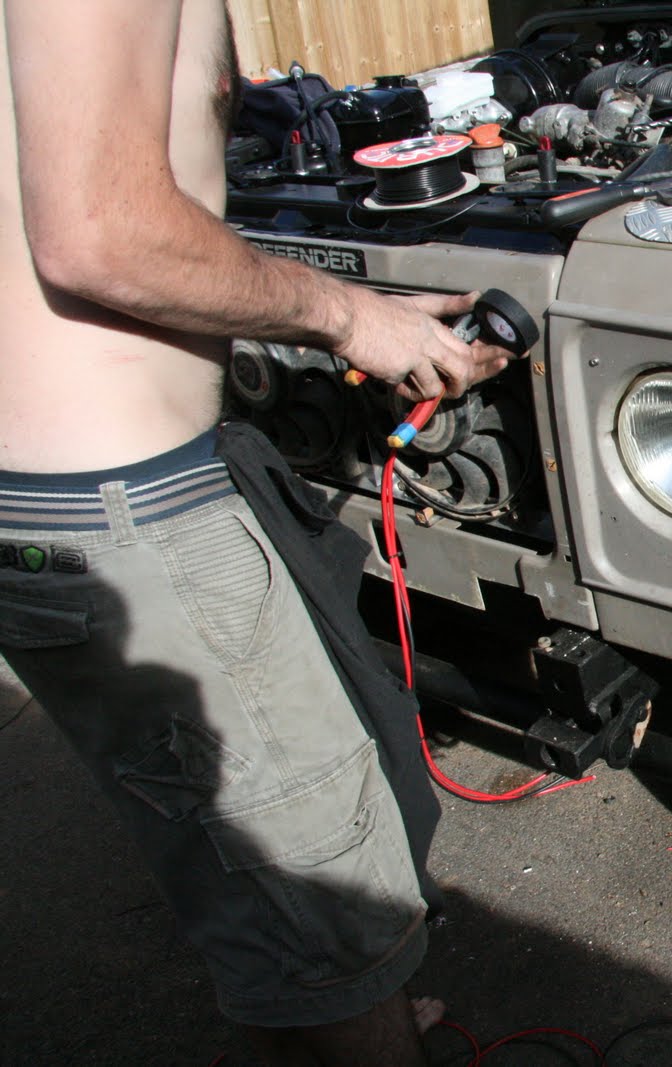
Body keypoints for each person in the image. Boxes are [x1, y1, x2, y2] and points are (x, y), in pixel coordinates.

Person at [0, 1, 511, 1062]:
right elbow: (103, 232)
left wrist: (337, 302)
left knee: (256, 862)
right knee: (328, 888)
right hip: (121, 506)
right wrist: (352, 316)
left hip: (67, 495)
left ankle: (333, 1013)